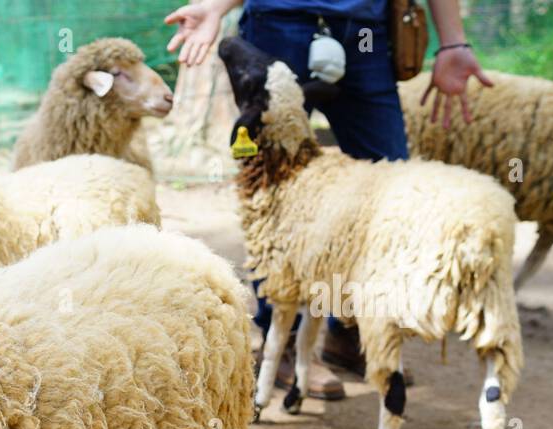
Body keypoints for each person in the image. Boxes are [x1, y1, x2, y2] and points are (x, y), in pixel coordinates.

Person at [165, 0, 492, 398]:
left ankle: (349, 330)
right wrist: (217, 6)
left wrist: (453, 42)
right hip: (279, 23)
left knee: (390, 181)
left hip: (364, 31)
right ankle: (280, 344)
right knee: (276, 189)